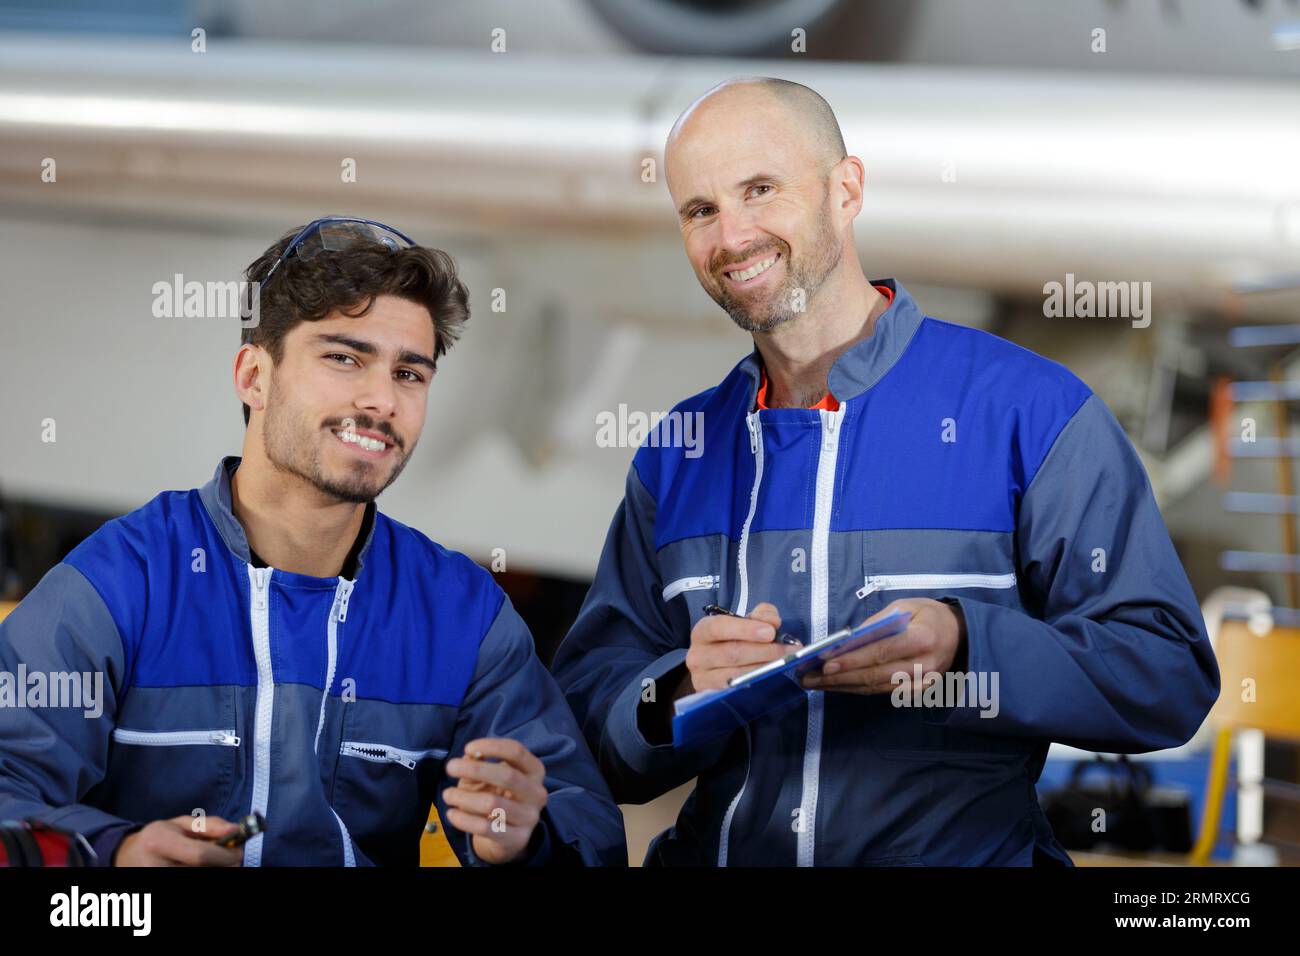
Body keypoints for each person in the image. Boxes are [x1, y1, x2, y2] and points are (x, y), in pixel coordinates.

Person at [552, 79, 1220, 866]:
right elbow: (575, 729)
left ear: (846, 189)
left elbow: (1167, 672)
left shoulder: (1031, 414)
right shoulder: (678, 452)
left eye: (760, 190)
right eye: (700, 211)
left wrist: (970, 650)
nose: (731, 236)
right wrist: (675, 691)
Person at [0, 217, 626, 867]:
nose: (382, 398)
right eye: (344, 357)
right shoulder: (118, 586)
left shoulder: (463, 615)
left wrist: (522, 839)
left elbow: (586, 826)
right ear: (253, 377)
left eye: (409, 374)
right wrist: (116, 853)